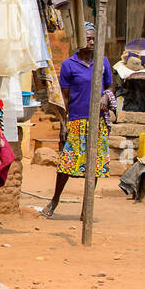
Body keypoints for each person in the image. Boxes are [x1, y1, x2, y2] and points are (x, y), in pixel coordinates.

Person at [42, 22, 114, 218]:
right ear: (79, 41)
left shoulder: (103, 62)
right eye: (88, 39)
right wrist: (63, 124)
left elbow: (109, 87)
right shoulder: (69, 65)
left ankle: (86, 208)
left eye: (93, 39)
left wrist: (106, 97)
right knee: (66, 164)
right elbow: (64, 97)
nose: (91, 43)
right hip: (76, 121)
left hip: (97, 122)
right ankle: (54, 200)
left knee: (95, 166)